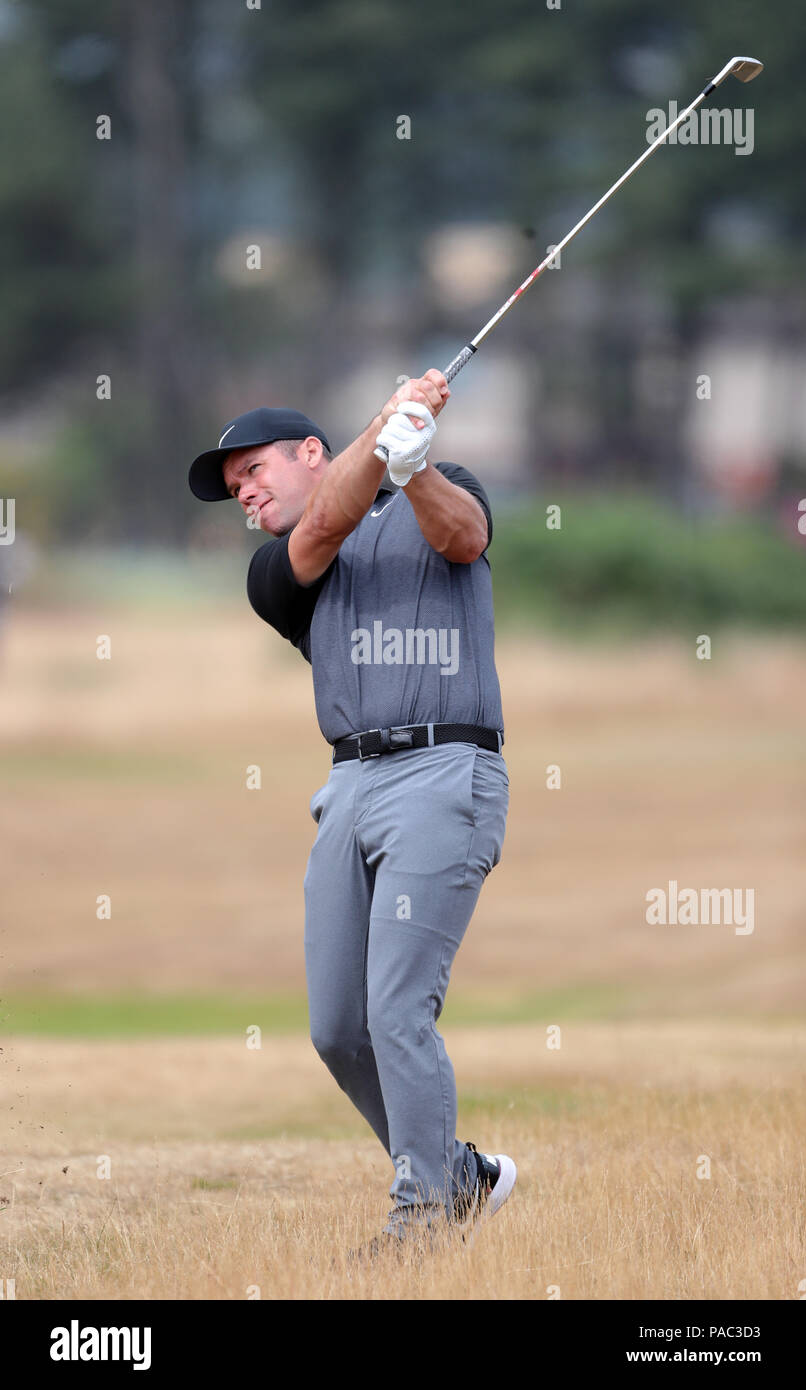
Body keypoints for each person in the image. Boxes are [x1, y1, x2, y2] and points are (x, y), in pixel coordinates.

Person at [188, 369, 515, 1259]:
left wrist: (411, 468)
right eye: (234, 490)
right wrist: (387, 427)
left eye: (254, 470)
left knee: (397, 1010)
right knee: (337, 1027)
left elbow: (464, 538)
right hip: (349, 789)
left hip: (447, 767)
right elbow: (328, 521)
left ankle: (421, 1220)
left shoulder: (442, 489)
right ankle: (462, 1177)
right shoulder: (277, 570)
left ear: (309, 452)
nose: (246, 493)